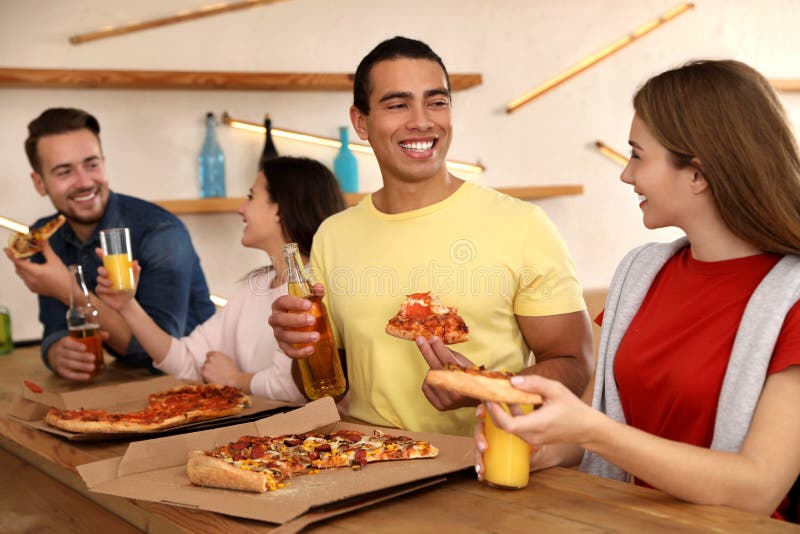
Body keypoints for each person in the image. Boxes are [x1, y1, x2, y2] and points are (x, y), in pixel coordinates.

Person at [475, 60, 800, 520]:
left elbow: (757, 489)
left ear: (698, 174)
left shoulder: (791, 299)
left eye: (637, 156)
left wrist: (589, 430)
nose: (625, 175)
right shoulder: (641, 273)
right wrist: (543, 445)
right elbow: (598, 427)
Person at [269, 36, 593, 436]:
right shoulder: (334, 236)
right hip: (371, 460)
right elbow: (325, 387)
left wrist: (483, 388)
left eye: (436, 102)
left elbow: (574, 365)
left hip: (487, 461)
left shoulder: (523, 224)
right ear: (361, 122)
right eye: (398, 105)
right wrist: (300, 348)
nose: (422, 121)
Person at [96, 156, 345, 401]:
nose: (240, 208)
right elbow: (187, 361)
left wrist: (234, 379)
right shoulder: (255, 286)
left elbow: (296, 388)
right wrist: (127, 306)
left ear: (279, 209)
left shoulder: (315, 289)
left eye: (250, 197)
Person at [4, 108, 216, 381]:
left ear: (104, 163)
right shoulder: (45, 237)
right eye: (64, 171)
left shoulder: (160, 232)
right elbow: (56, 329)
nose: (84, 182)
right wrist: (58, 353)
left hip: (200, 383)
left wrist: (68, 289)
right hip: (122, 382)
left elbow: (159, 356)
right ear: (39, 183)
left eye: (92, 164)